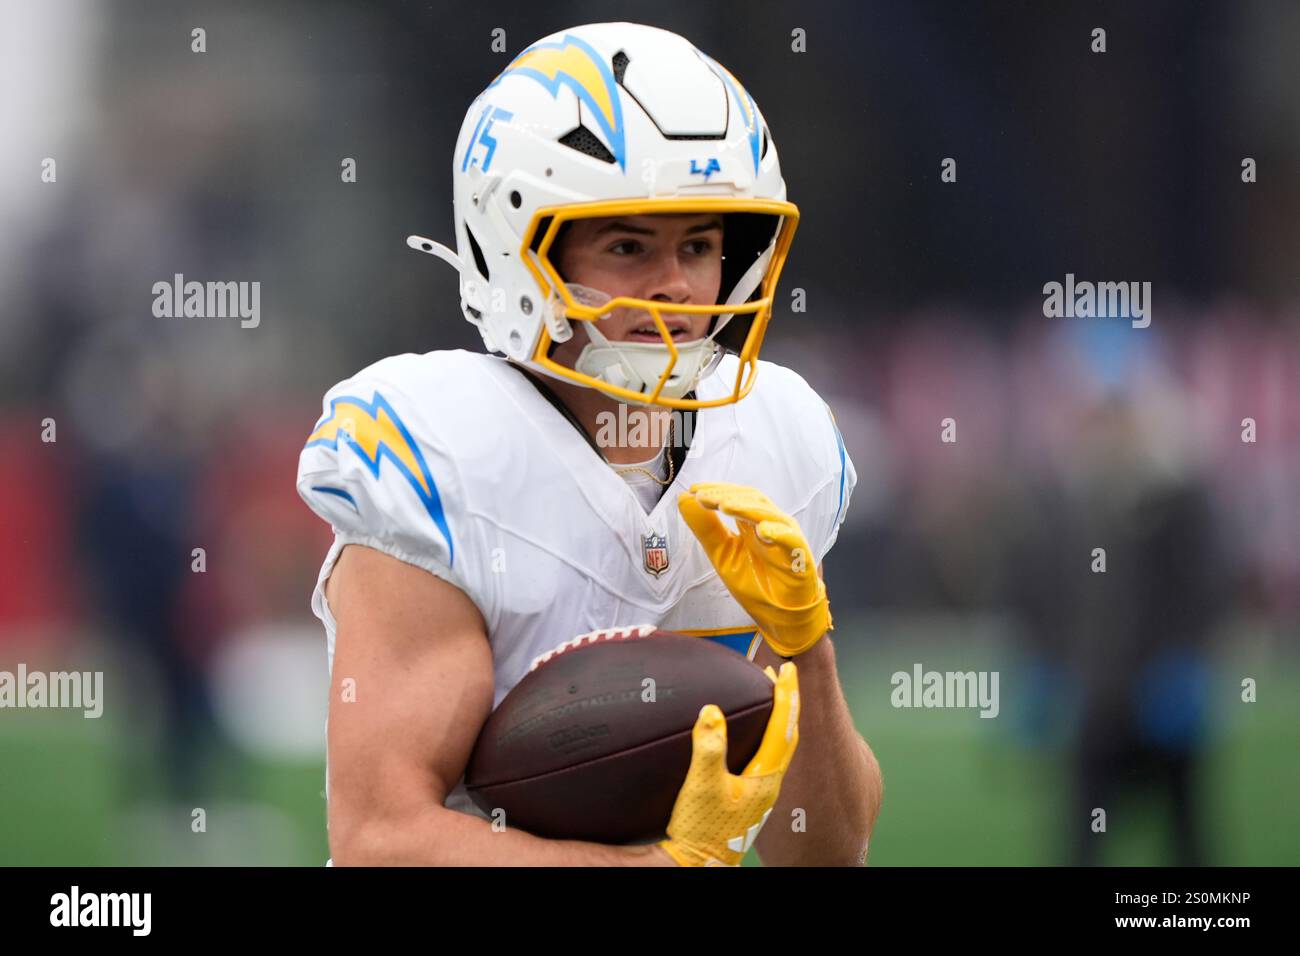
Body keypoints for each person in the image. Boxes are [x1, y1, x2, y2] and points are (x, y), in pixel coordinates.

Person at [297, 21, 882, 866]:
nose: (676, 284)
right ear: (516, 249)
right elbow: (382, 839)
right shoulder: (440, 450)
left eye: (701, 246)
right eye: (627, 246)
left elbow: (824, 855)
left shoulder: (774, 436)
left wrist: (806, 647)